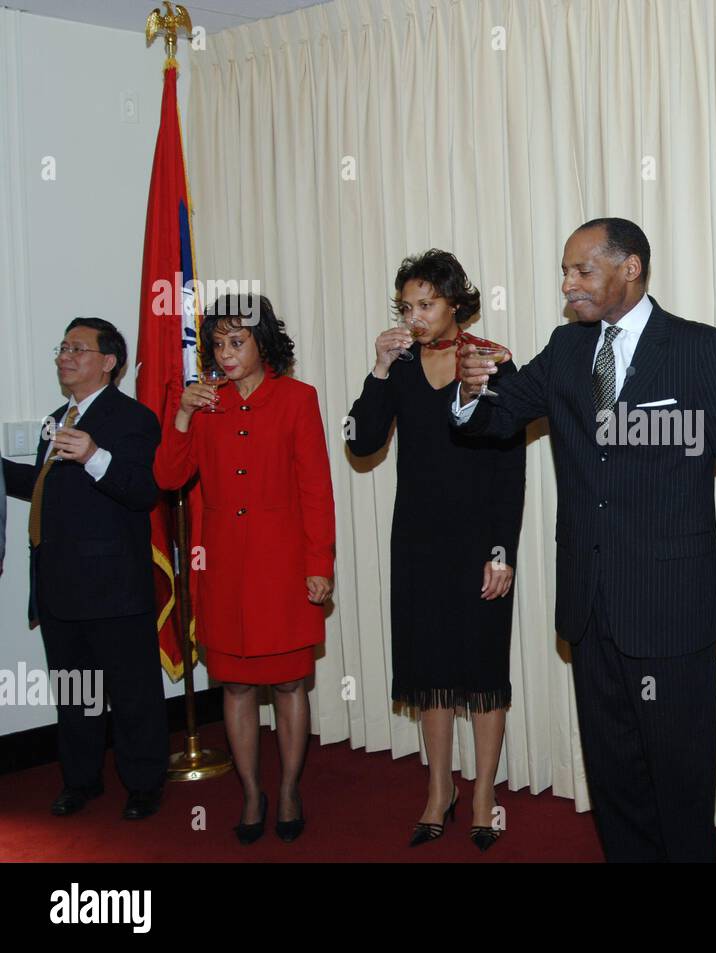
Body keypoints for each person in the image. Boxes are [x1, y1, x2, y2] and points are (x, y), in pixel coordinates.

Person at [453, 218, 716, 862]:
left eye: (582, 270)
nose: (568, 284)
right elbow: (494, 418)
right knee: (614, 779)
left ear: (630, 269)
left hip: (672, 604)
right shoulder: (567, 349)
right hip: (589, 605)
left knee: (680, 782)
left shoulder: (697, 349)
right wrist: (470, 392)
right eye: (565, 272)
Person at [346, 250, 525, 850]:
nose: (415, 316)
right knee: (429, 668)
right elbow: (362, 441)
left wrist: (502, 551)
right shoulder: (397, 369)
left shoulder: (490, 360)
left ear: (455, 303)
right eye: (406, 306)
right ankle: (438, 790)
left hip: (480, 539)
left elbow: (511, 466)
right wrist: (377, 367)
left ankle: (483, 794)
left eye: (426, 304)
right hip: (418, 538)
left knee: (481, 668)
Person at [153, 294, 335, 845]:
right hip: (225, 567)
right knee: (232, 685)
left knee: (287, 682)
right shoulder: (202, 404)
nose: (226, 354)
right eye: (218, 344)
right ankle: (253, 792)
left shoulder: (297, 399)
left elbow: (316, 490)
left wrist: (318, 563)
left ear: (263, 343)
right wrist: (181, 414)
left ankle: (288, 790)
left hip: (283, 566)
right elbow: (167, 477)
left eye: (238, 342)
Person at [2, 318, 169, 819]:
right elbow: (46, 486)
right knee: (76, 693)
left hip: (115, 586)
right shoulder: (60, 417)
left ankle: (143, 784)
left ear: (109, 361)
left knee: (133, 692)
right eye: (62, 347)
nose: (64, 356)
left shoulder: (132, 418)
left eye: (77, 348)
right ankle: (81, 780)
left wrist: (95, 456)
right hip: (59, 584)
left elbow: (143, 491)